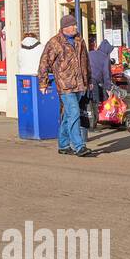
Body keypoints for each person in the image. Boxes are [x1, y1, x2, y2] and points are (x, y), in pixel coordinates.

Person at [38, 14, 96, 157]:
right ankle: (79, 146)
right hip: (65, 85)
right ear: (65, 27)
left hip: (80, 85)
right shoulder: (54, 42)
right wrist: (43, 83)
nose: (75, 27)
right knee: (74, 113)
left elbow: (86, 61)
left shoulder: (80, 40)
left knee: (68, 116)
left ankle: (63, 145)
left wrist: (89, 81)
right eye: (73, 25)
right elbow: (44, 63)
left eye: (75, 25)